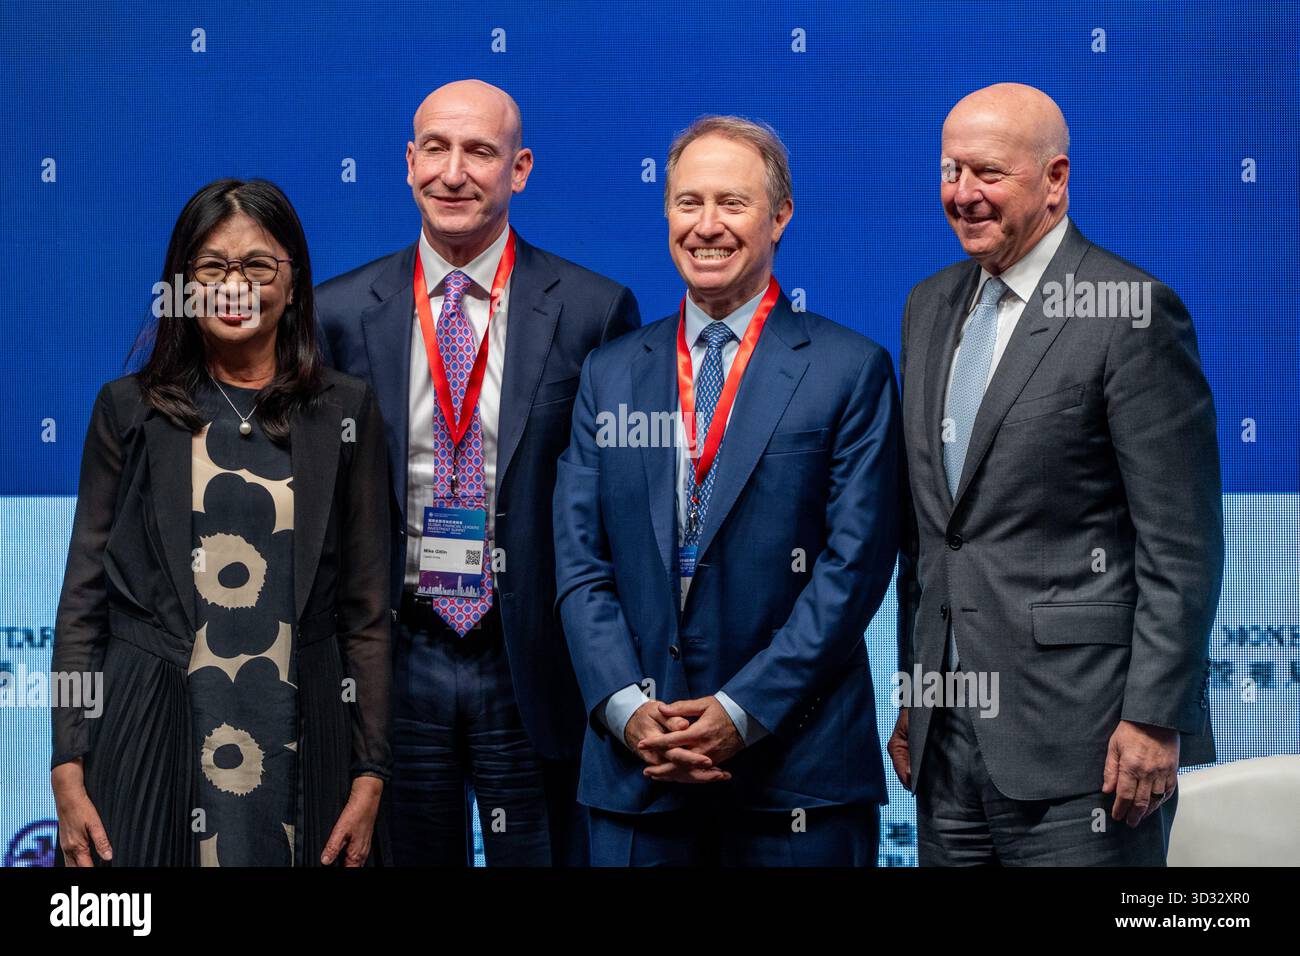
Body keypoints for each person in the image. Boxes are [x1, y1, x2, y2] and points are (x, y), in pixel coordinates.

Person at [888, 83, 1222, 865]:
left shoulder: (1131, 311)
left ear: (1055, 179)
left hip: (1090, 749)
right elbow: (935, 534)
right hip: (947, 747)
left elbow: (1183, 543)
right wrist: (919, 692)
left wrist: (1155, 715)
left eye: (988, 173)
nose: (962, 194)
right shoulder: (927, 306)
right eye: (949, 171)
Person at [554, 116, 900, 866]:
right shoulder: (611, 372)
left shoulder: (850, 369)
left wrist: (742, 713)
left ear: (780, 217)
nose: (706, 226)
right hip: (636, 776)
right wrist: (629, 709)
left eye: (733, 204)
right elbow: (580, 563)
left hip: (796, 781)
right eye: (687, 203)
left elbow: (853, 570)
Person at [316, 79, 640, 866]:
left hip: (530, 657)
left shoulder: (595, 310)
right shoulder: (336, 313)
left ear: (519, 169)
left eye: (480, 152)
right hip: (399, 655)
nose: (453, 173)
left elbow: (617, 512)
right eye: (436, 148)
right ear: (407, 162)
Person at [51, 178, 391, 867]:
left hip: (302, 727)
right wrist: (66, 763)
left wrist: (371, 771)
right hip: (149, 728)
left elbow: (367, 612)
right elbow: (83, 603)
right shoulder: (128, 411)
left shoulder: (346, 410)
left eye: (259, 265)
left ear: (293, 283)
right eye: (212, 267)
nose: (235, 284)